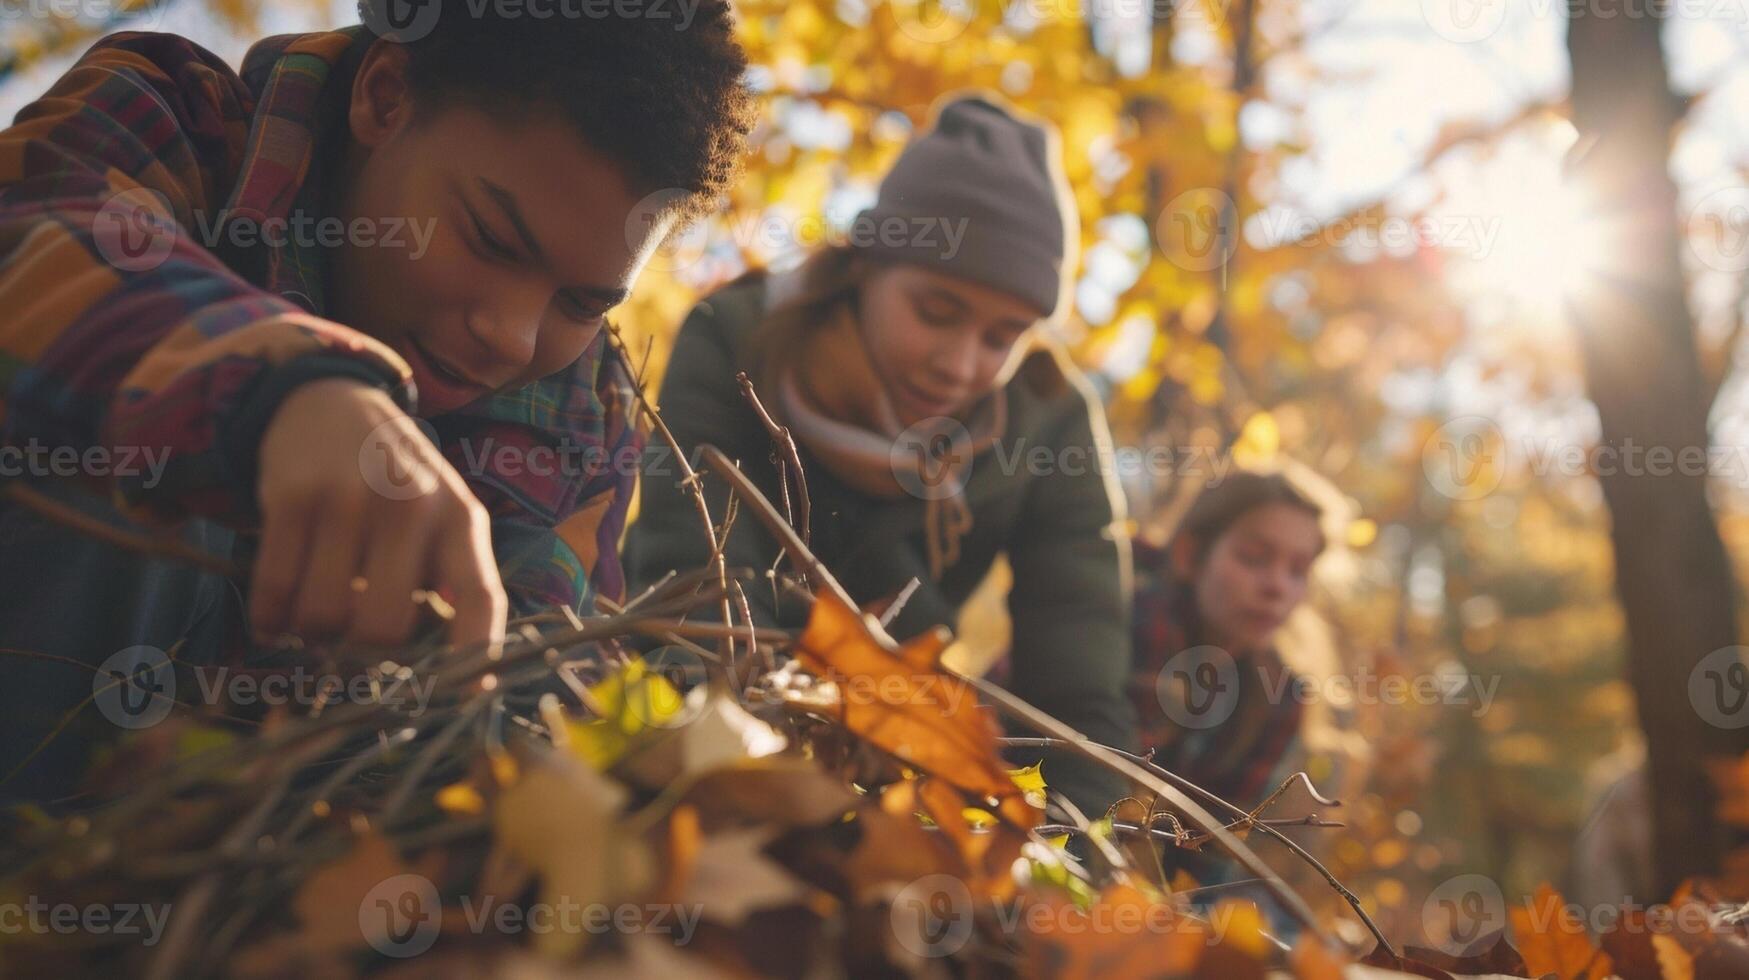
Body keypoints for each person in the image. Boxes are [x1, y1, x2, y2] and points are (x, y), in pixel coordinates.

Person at [0, 0, 756, 800]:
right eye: (493, 240)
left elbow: (532, 708)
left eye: (581, 305)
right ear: (386, 96)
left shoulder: (587, 415)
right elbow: (34, 241)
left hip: (237, 866)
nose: (511, 337)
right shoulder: (171, 117)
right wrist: (288, 391)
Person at [627, 93, 1137, 819]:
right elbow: (691, 589)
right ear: (867, 264)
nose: (960, 364)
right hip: (710, 725)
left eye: (1003, 337)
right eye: (936, 313)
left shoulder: (1048, 420)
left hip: (899, 749)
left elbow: (1078, 675)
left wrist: (1076, 841)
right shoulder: (736, 340)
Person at [1129, 470, 1328, 812]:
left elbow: (1219, 843)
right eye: (1253, 558)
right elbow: (1107, 792)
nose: (1277, 587)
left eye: (1297, 570)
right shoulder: (1132, 620)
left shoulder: (1278, 695)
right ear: (1189, 555)